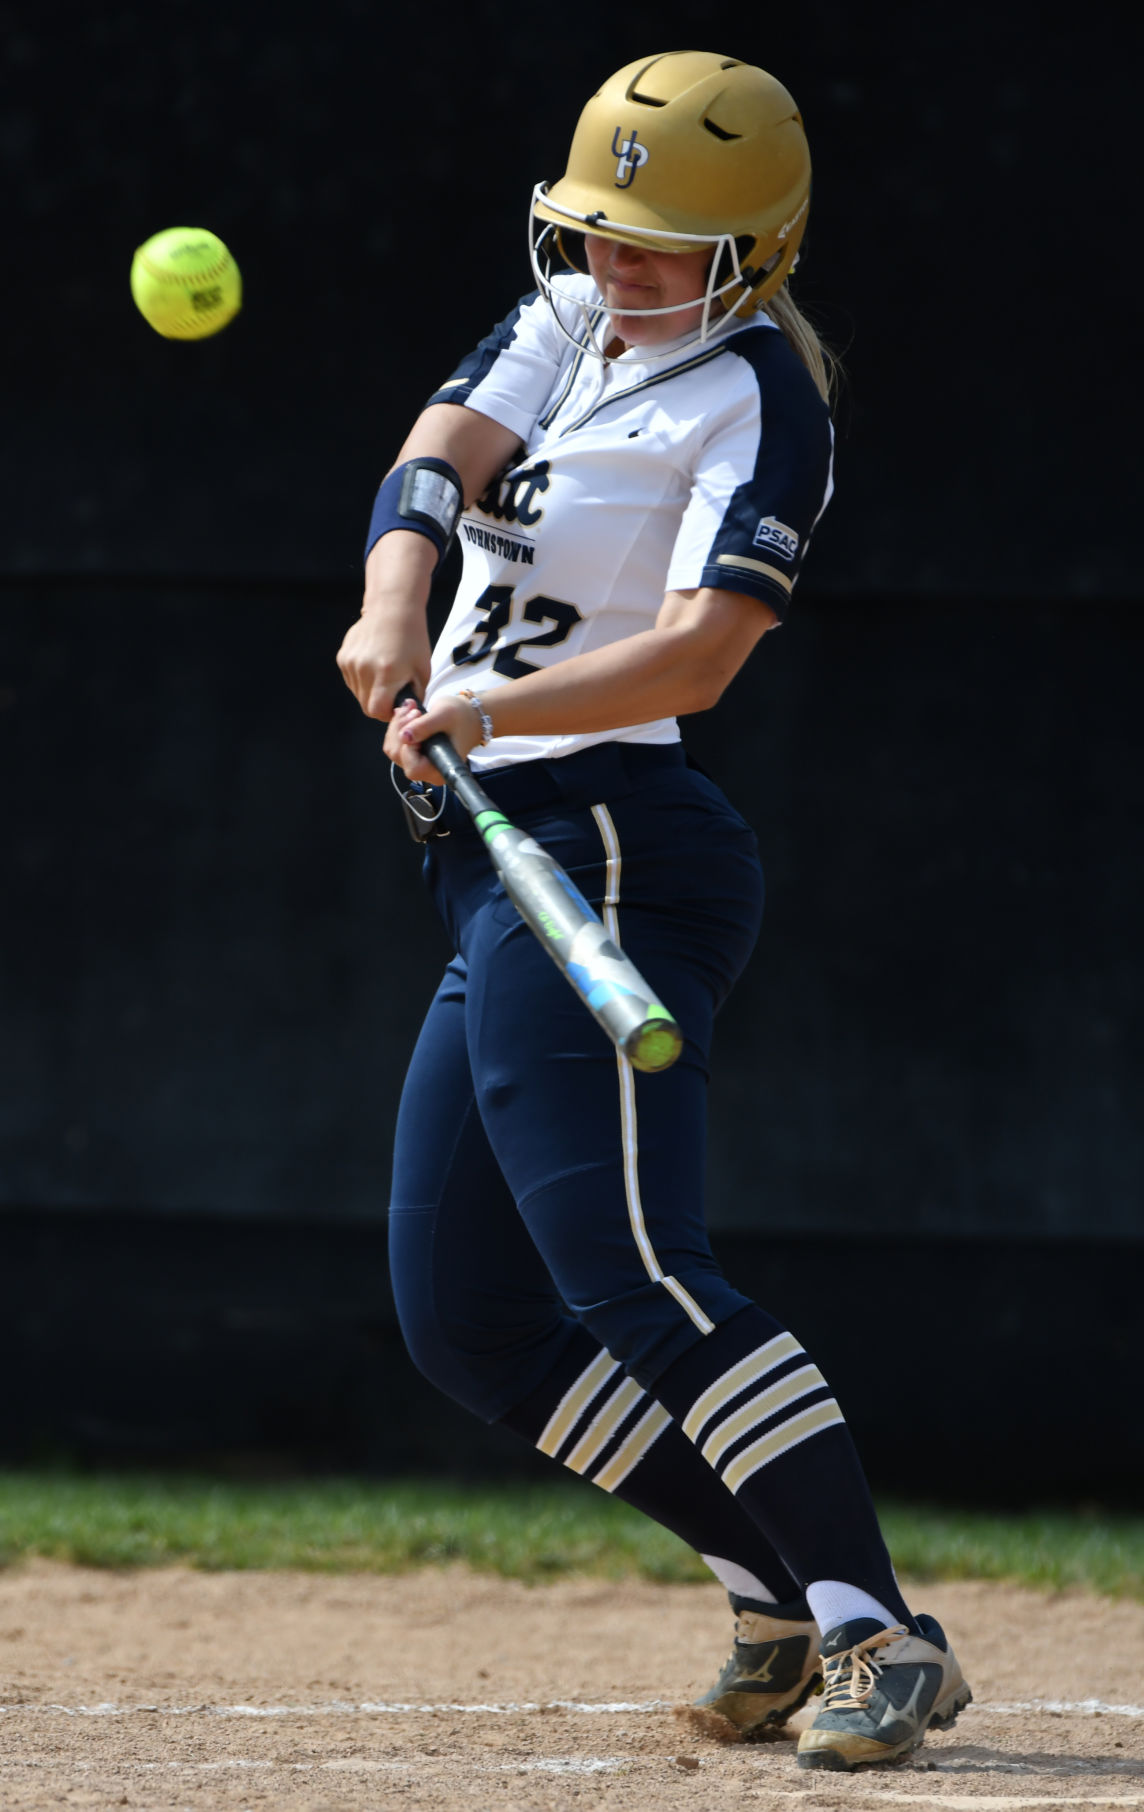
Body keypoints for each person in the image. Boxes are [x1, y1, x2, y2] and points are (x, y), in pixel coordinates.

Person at [337, 51, 970, 1772]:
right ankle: (772, 1591)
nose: (622, 266)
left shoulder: (757, 389)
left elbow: (700, 651)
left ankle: (873, 1629)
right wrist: (400, 598)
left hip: (608, 838)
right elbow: (432, 459)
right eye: (603, 229)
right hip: (490, 857)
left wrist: (479, 708)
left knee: (626, 1267)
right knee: (465, 1313)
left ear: (753, 252)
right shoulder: (577, 324)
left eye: (663, 244)